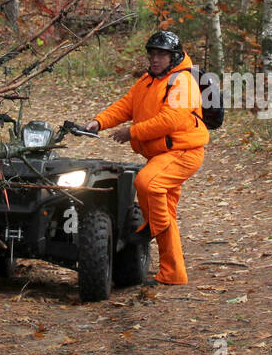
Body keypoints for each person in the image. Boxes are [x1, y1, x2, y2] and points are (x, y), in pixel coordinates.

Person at [85, 31, 208, 285]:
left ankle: (150, 228)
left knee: (147, 183)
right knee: (166, 214)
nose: (155, 59)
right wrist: (99, 121)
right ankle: (173, 274)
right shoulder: (147, 80)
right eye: (152, 54)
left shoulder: (183, 82)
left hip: (182, 152)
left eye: (161, 55)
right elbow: (125, 105)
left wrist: (131, 132)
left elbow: (171, 119)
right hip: (162, 154)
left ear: (173, 57)